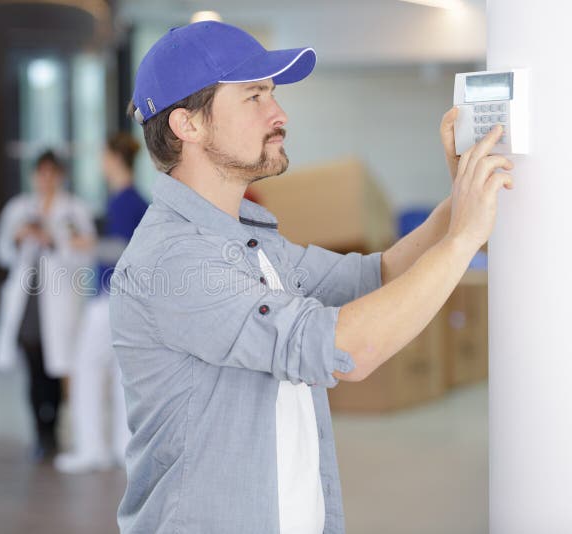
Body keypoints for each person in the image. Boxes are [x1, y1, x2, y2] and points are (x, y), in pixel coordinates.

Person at [109, 21, 513, 534]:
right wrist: (462, 240)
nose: (279, 114)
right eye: (254, 96)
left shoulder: (251, 242)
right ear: (188, 125)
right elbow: (342, 350)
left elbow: (377, 275)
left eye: (272, 94)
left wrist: (460, 200)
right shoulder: (174, 262)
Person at [0, 150, 95, 460]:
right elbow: (1, 252)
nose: (45, 179)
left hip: (60, 298)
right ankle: (40, 433)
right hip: (28, 302)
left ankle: (53, 428)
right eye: (40, 173)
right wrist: (19, 238)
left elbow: (85, 255)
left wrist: (52, 239)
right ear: (34, 176)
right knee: (33, 368)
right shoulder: (19, 208)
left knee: (58, 368)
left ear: (60, 176)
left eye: (51, 173)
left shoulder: (74, 209)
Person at [54, 133, 148, 474]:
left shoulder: (123, 201)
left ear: (113, 158)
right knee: (121, 376)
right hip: (127, 300)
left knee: (88, 371)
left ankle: (92, 449)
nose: (99, 162)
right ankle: (122, 449)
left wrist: (86, 243)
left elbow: (122, 250)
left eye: (102, 155)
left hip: (110, 299)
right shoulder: (135, 199)